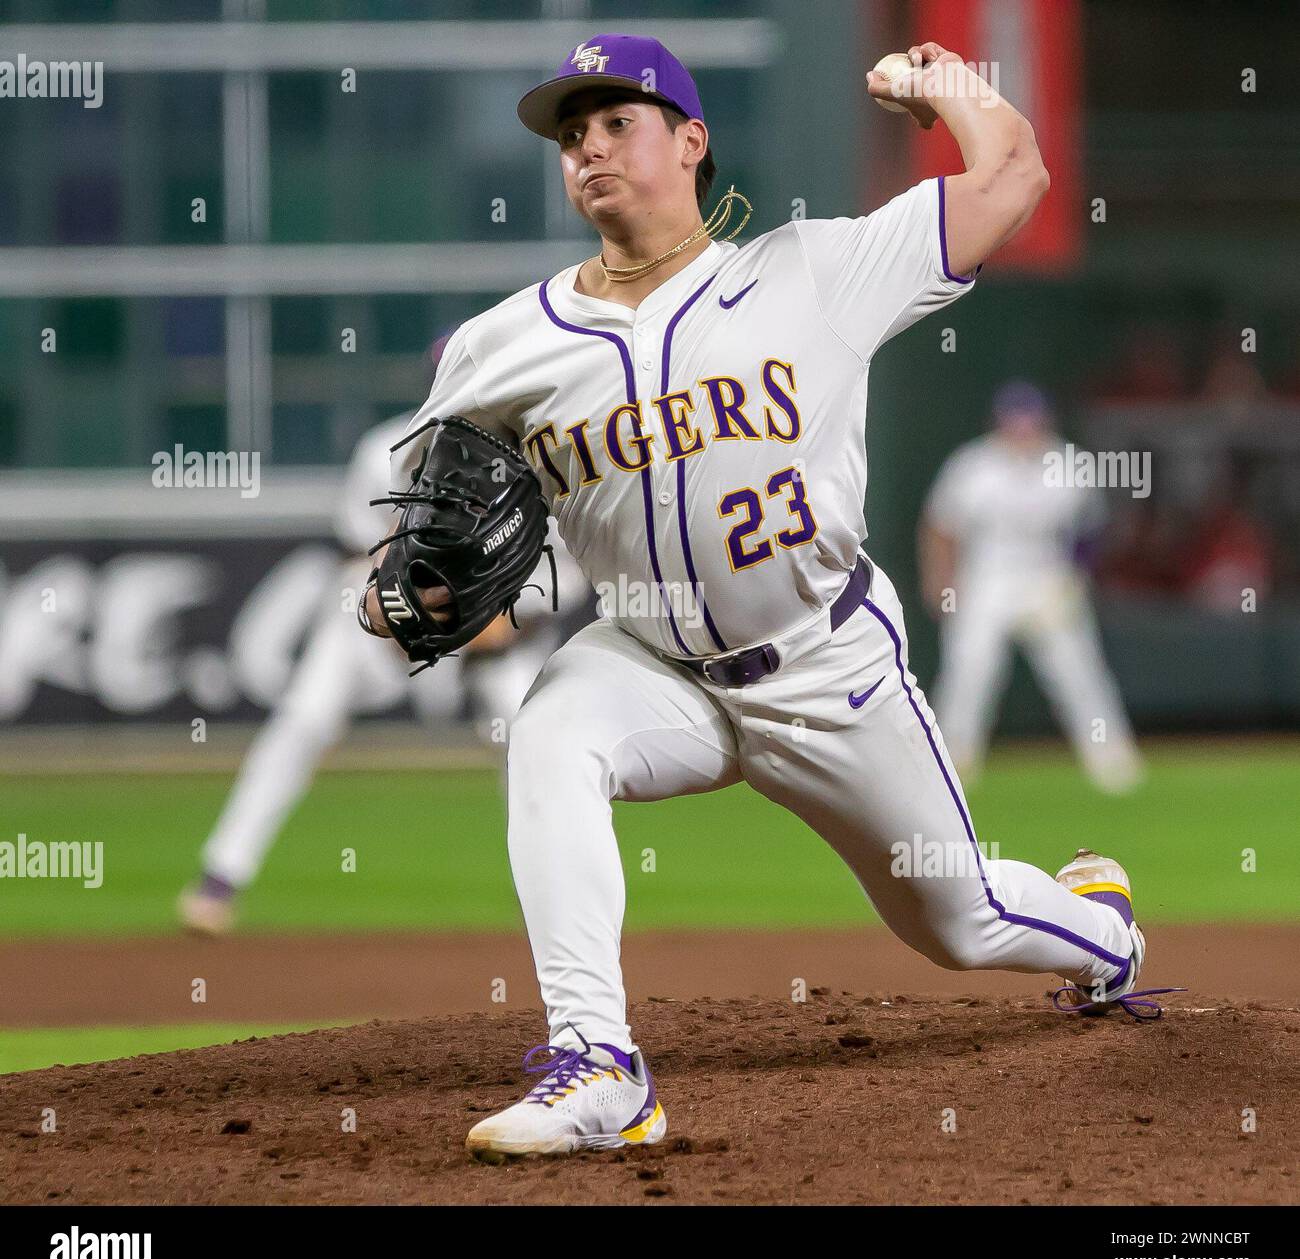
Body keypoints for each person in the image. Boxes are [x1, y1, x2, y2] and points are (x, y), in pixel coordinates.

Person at [362, 34, 1168, 1161]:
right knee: (548, 735)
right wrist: (410, 606)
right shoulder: (500, 351)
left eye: (617, 123)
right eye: (571, 134)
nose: (589, 149)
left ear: (690, 143)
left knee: (961, 922)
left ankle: (1099, 931)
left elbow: (1014, 180)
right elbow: (441, 578)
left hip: (823, 665)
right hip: (647, 662)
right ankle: (598, 1066)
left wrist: (946, 86)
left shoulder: (815, 270)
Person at [179, 396, 585, 936]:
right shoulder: (387, 448)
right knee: (305, 718)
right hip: (385, 620)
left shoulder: (546, 457)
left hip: (494, 630)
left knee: (530, 736)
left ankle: (551, 898)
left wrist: (497, 625)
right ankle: (220, 879)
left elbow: (565, 580)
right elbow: (358, 552)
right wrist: (398, 614)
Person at [919, 381, 1144, 793]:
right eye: (1014, 420)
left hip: (1047, 574)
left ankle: (1111, 760)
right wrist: (940, 580)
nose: (1022, 429)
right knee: (969, 672)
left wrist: (1076, 577)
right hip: (987, 576)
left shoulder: (1069, 462)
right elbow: (940, 527)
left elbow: (1091, 529)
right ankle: (952, 765)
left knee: (1078, 672)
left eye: (1029, 420)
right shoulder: (973, 465)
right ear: (999, 423)